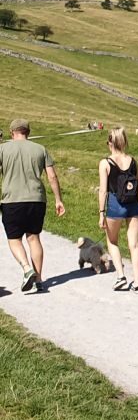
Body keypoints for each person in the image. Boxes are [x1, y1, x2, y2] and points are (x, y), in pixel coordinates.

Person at [0, 119, 65, 292]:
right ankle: (39, 279)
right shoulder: (40, 149)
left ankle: (26, 268)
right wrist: (58, 199)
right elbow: (52, 176)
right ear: (28, 132)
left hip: (12, 199)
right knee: (33, 238)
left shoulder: (3, 149)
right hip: (36, 199)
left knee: (14, 239)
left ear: (12, 132)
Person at [98, 127, 138, 292]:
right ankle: (137, 283)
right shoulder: (133, 161)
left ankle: (121, 276)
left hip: (115, 206)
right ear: (124, 142)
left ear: (109, 143)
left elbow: (103, 190)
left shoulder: (105, 163)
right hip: (134, 205)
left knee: (112, 241)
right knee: (134, 245)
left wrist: (101, 213)